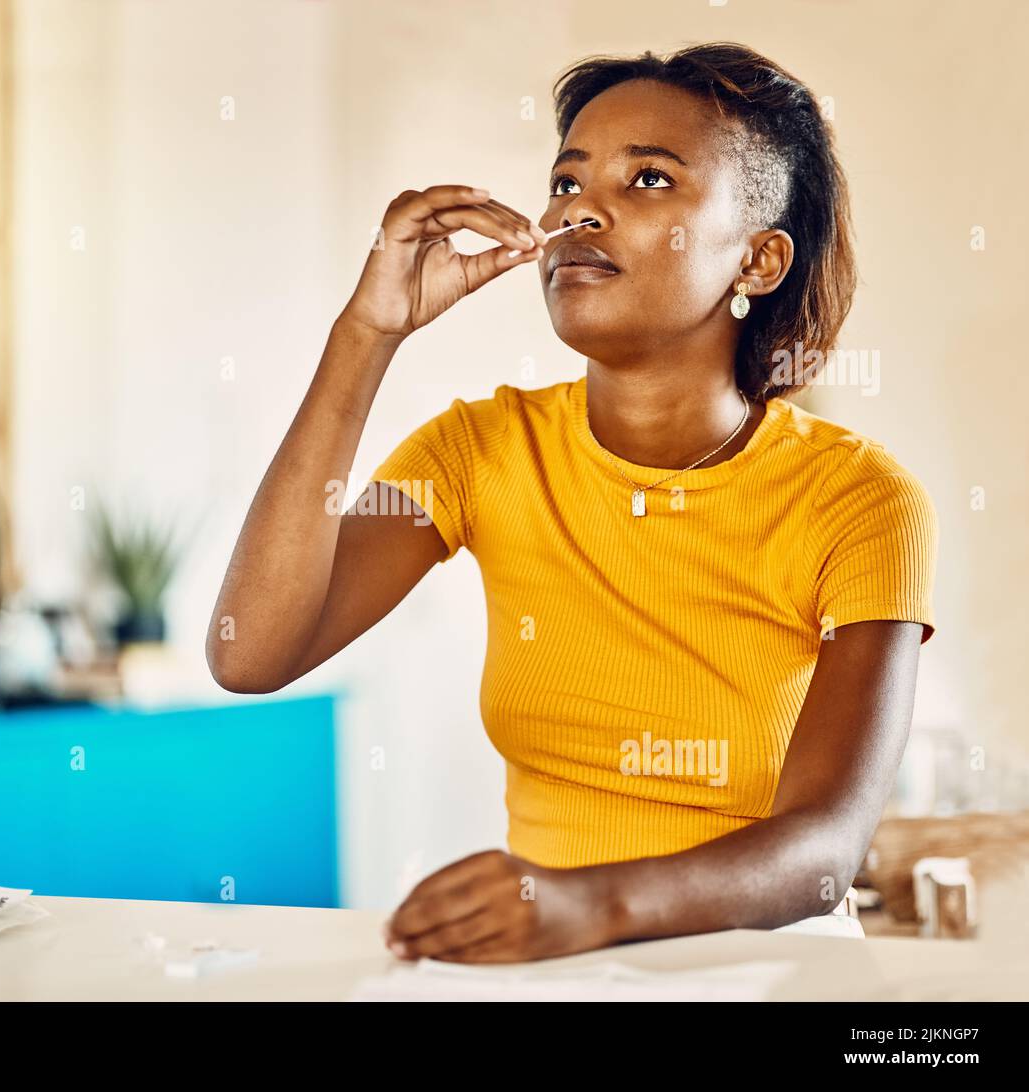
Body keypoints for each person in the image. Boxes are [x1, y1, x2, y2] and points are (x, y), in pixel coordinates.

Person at [207, 42, 937, 963]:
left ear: (758, 261)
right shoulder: (480, 450)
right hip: (551, 973)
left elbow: (825, 856)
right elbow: (248, 654)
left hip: (770, 976)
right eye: (567, 178)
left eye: (650, 180)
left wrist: (587, 908)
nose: (579, 209)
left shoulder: (862, 499)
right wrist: (368, 332)